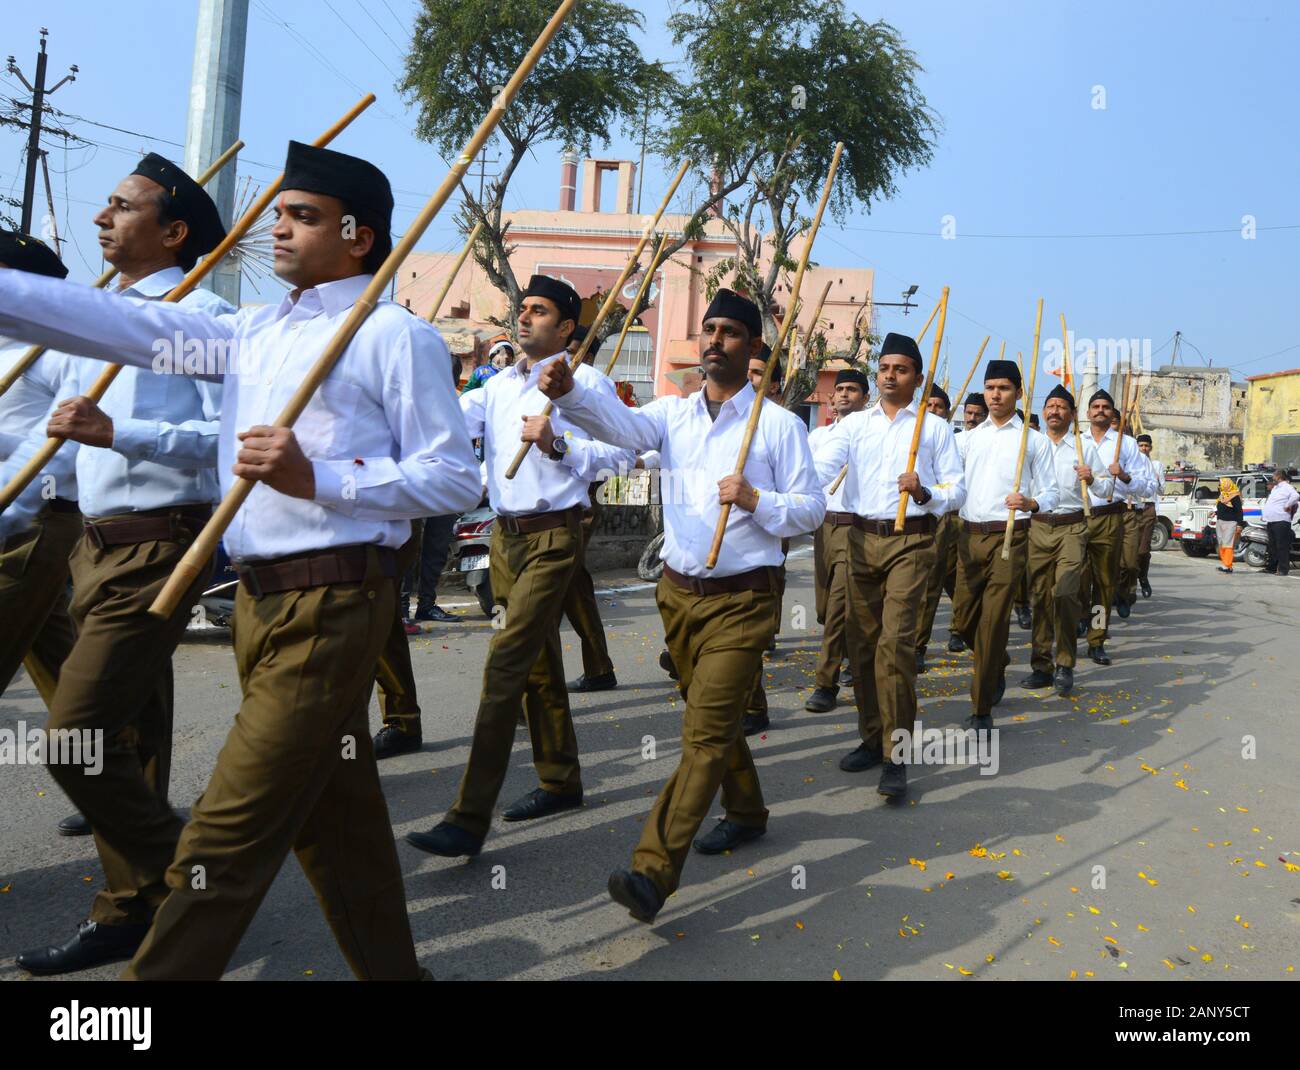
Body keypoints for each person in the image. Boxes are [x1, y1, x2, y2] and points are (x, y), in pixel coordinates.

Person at [0, 140, 483, 980]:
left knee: (221, 844)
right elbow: (126, 324)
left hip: (335, 604)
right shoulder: (245, 336)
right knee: (340, 825)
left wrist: (321, 475)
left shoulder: (390, 337)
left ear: (359, 236)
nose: (279, 232)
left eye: (302, 217)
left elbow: (453, 477)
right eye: (278, 216)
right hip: (256, 605)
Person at [4, 155, 235, 972]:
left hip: (161, 541)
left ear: (173, 232)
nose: (102, 219)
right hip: (88, 545)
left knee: (73, 733)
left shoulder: (199, 322)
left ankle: (196, 880)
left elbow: (226, 446)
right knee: (121, 731)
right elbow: (52, 440)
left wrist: (123, 433)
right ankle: (130, 907)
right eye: (104, 205)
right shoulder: (97, 316)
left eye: (122, 206)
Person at [537, 288, 824, 922]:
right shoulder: (671, 415)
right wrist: (569, 395)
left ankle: (653, 869)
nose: (715, 339)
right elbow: (618, 426)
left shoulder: (776, 425)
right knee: (712, 721)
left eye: (729, 331)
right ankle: (746, 810)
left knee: (703, 733)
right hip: (678, 594)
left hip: (744, 600)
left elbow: (811, 509)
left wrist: (756, 501)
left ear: (752, 346)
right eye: (709, 329)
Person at [405, 275, 633, 859]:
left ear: (565, 328)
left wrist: (561, 443)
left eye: (539, 312)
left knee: (505, 662)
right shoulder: (497, 386)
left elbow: (625, 453)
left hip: (556, 534)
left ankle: (467, 816)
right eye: (522, 309)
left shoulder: (585, 383)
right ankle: (561, 780)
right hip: (504, 540)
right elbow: (444, 426)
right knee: (534, 663)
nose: (525, 318)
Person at [812, 339, 965, 795]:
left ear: (917, 378)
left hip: (911, 542)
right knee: (859, 649)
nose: (889, 375)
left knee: (894, 646)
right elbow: (818, 470)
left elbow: (957, 490)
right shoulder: (854, 425)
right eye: (883, 367)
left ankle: (896, 755)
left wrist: (924, 492)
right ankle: (871, 737)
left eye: (900, 369)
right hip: (859, 541)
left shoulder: (933, 429)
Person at [0, 233, 82, 816]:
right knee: (64, 666)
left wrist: (8, 511)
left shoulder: (52, 350)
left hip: (26, 525)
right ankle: (111, 783)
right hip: (16, 523)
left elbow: (59, 446)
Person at [951, 360, 1058, 732]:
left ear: (1018, 393)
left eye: (1004, 388)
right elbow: (950, 486)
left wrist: (1031, 503)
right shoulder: (964, 440)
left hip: (1010, 536)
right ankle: (995, 660)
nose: (995, 394)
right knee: (964, 620)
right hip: (968, 534)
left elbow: (1052, 492)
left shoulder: (1033, 441)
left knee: (994, 621)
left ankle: (981, 710)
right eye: (990, 387)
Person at [1022, 385, 1097, 697]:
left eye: (1061, 406)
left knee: (1065, 593)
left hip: (1072, 525)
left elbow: (1105, 491)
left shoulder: (1084, 448)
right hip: (1037, 525)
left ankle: (1065, 662)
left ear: (1072, 414)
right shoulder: (1030, 445)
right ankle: (1041, 665)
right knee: (1039, 596)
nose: (1054, 411)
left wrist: (1092, 479)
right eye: (1050, 405)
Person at [805, 367, 870, 713]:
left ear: (865, 398)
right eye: (840, 389)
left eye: (853, 390)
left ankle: (824, 684)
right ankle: (853, 655)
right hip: (823, 525)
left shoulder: (870, 433)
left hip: (854, 527)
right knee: (823, 607)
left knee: (837, 609)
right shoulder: (818, 437)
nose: (844, 394)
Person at [1076, 389, 1150, 664]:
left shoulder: (1127, 444)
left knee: (1104, 581)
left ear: (1112, 413)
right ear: (1087, 413)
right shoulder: (1077, 441)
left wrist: (1125, 476)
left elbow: (1146, 486)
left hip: (1110, 516)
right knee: (1077, 577)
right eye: (1095, 406)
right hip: (1078, 516)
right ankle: (1082, 616)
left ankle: (1097, 639)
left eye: (1106, 407)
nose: (1100, 410)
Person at [739, 345, 788, 734]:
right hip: (699, 556)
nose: (751, 378)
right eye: (748, 370)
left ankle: (753, 708)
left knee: (742, 636)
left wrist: (757, 502)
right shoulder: (702, 414)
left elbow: (804, 502)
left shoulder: (784, 425)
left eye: (759, 373)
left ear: (773, 384)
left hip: (756, 550)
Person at [913, 383, 962, 672]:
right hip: (914, 515)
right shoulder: (913, 436)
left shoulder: (960, 440)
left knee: (936, 581)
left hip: (948, 516)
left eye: (938, 407)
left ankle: (924, 642)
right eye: (928, 405)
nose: (932, 411)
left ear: (947, 412)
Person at [1130, 434, 1164, 597]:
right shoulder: (1131, 463)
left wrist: (1156, 481)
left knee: (1143, 550)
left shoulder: (1156, 465)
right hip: (1131, 508)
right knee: (1128, 551)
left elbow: (1162, 490)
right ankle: (1127, 586)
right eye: (1141, 445)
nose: (1143, 448)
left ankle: (1143, 577)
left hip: (1148, 509)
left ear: (1151, 447)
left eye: (1146, 446)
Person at [1261, 468, 1298, 576]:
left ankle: (1283, 569)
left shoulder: (1287, 487)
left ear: (1279, 477)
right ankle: (1271, 567)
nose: (1272, 478)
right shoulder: (1276, 488)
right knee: (1272, 546)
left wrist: (1287, 505)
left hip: (1281, 520)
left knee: (1282, 546)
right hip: (1272, 520)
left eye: (1274, 476)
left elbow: (1296, 496)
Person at [1215, 476, 1244, 573]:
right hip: (1220, 522)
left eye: (1221, 483)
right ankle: (1226, 564)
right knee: (1221, 543)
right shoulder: (1223, 495)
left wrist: (1239, 525)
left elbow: (1239, 511)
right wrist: (1215, 512)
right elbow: (1222, 508)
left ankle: (1227, 566)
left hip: (1230, 523)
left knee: (1228, 544)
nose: (1220, 485)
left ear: (1227, 484)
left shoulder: (1235, 496)